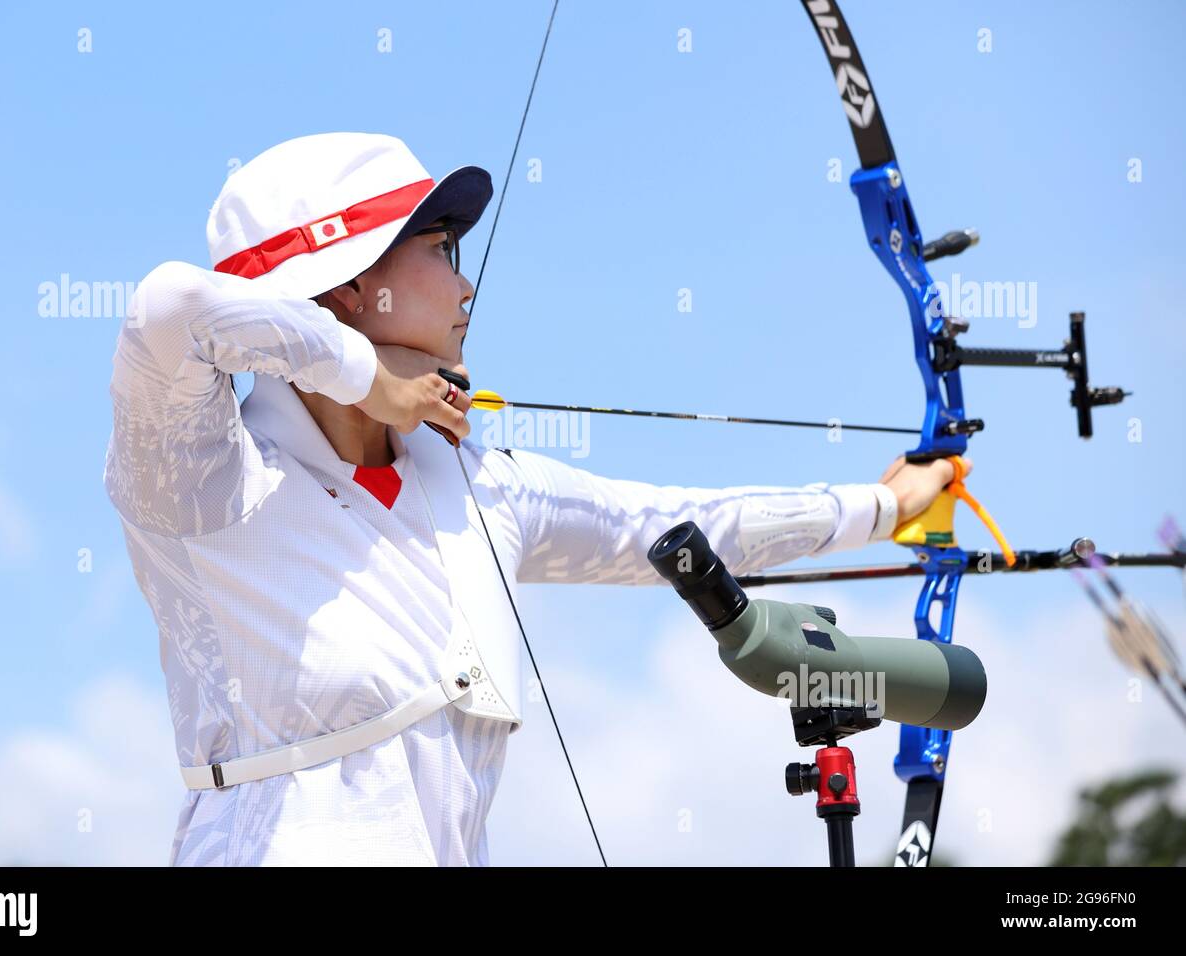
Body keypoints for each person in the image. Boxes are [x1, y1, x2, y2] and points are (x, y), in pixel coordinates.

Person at [103, 132, 961, 866]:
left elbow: (674, 529)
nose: (466, 285)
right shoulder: (207, 476)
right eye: (441, 249)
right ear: (350, 288)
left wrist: (882, 506)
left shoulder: (471, 484)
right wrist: (370, 377)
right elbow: (168, 306)